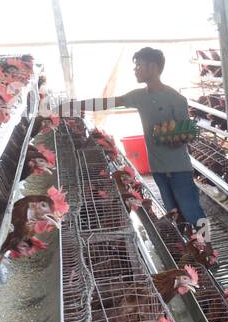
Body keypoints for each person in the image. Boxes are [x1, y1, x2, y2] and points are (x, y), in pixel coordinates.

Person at [67, 47, 206, 231]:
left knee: (193, 213)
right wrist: (73, 106)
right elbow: (107, 102)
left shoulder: (176, 99)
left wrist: (175, 139)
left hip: (179, 168)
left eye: (139, 65)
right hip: (157, 168)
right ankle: (192, 252)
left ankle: (210, 253)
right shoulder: (139, 96)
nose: (135, 69)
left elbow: (186, 135)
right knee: (175, 215)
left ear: (153, 67)